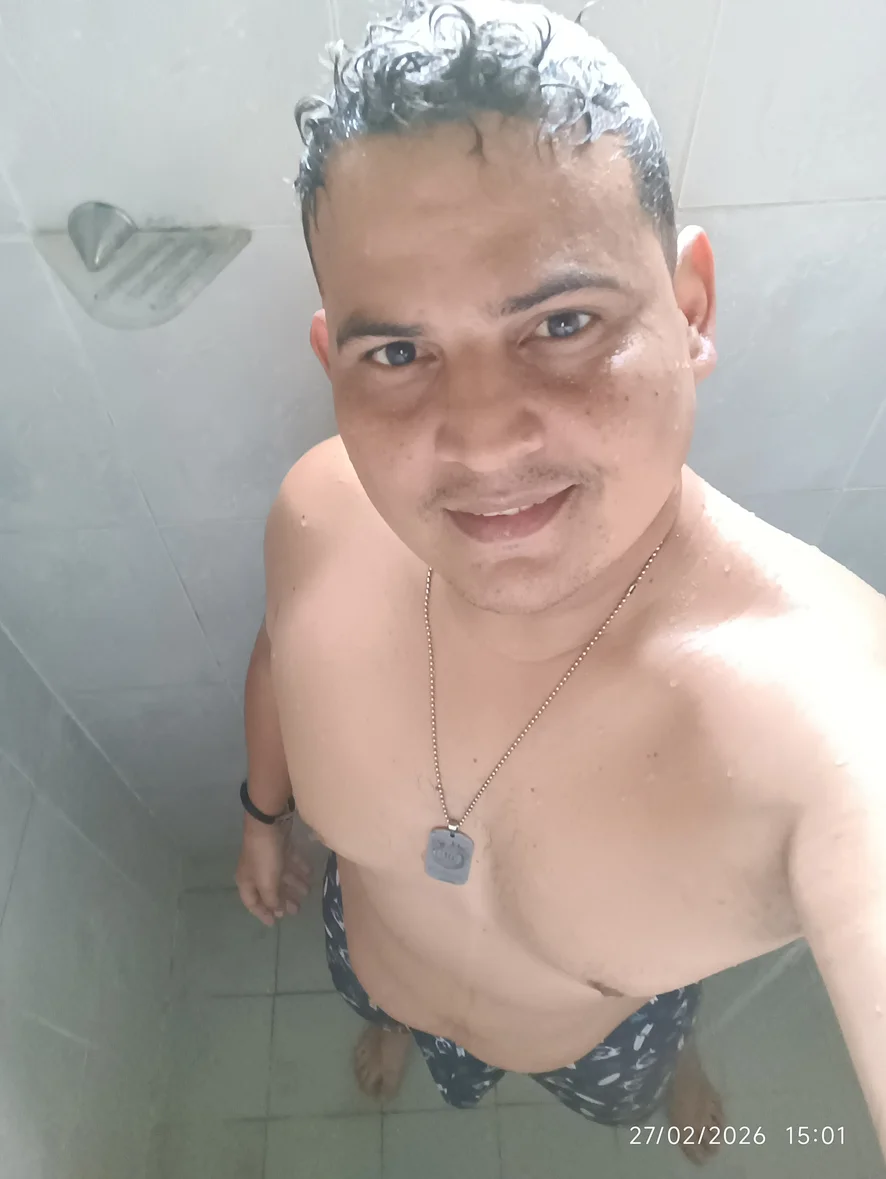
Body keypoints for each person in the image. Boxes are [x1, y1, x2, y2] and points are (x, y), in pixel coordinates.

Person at [235, 0, 886, 1164]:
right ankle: (394, 1023)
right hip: (375, 953)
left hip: (599, 1040)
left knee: (640, 1063)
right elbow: (281, 653)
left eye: (563, 321)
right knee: (382, 987)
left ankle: (680, 1062)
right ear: (334, 362)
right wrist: (262, 819)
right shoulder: (318, 515)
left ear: (689, 310)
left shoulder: (826, 718)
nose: (482, 441)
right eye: (398, 352)